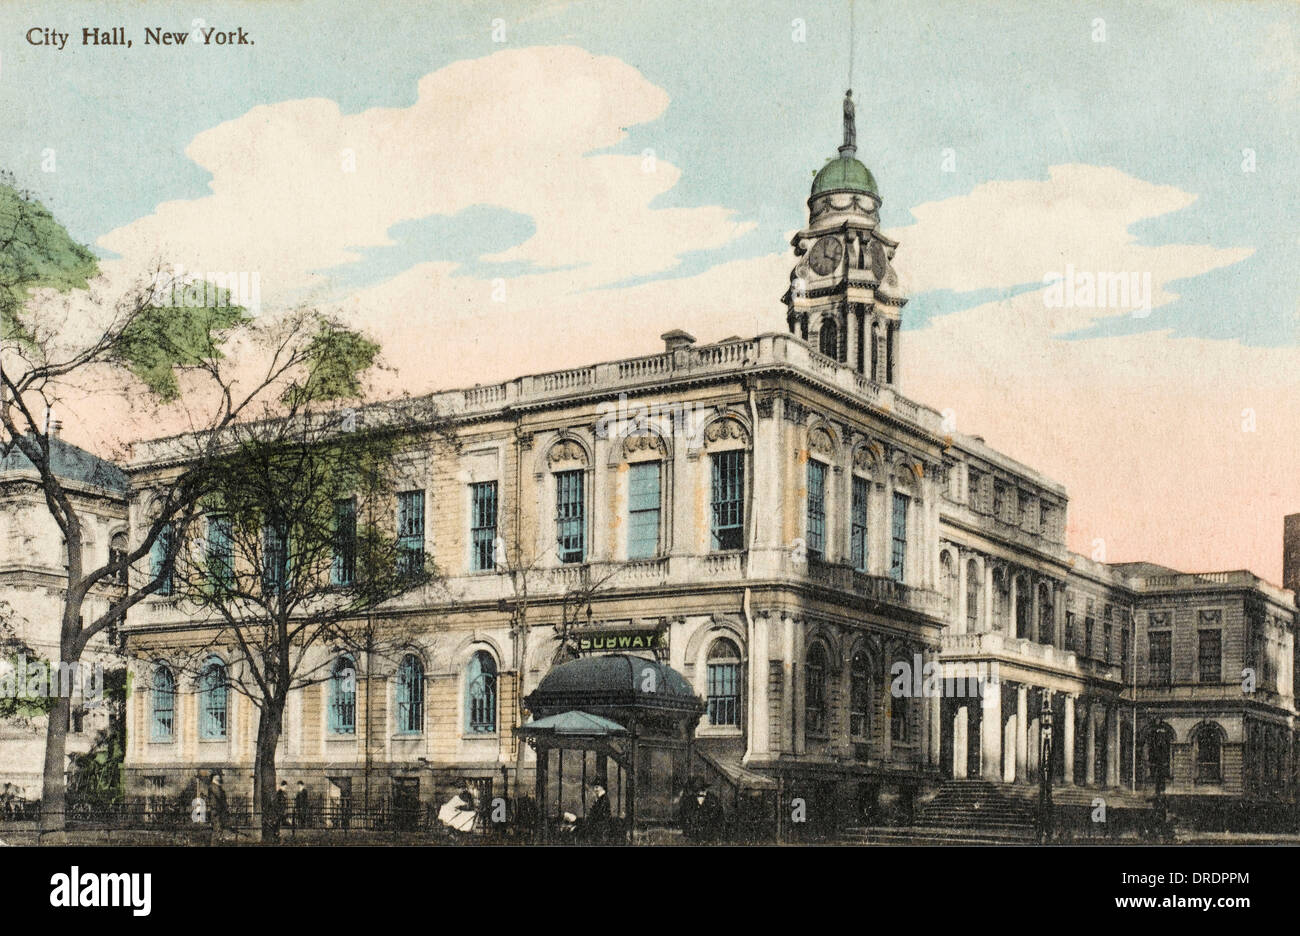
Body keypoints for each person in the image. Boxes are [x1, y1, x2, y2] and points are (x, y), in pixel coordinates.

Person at [680, 778, 724, 843]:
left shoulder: (714, 800)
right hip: (692, 838)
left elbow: (720, 820)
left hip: (710, 838)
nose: (699, 792)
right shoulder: (688, 801)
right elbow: (683, 817)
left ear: (704, 789)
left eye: (701, 790)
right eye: (696, 790)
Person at [208, 774, 228, 843]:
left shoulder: (216, 786)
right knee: (217, 831)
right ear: (214, 778)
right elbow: (220, 796)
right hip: (217, 810)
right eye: (217, 776)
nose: (219, 777)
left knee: (217, 830)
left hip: (217, 810)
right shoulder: (214, 787)